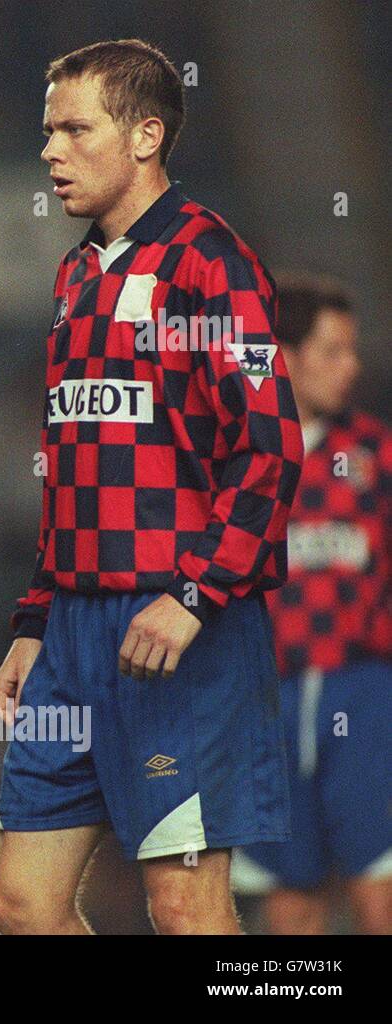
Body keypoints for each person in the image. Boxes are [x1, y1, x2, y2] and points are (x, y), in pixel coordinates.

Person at [0, 39, 304, 934]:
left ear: (145, 135)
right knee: (21, 901)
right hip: (72, 637)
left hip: (179, 631)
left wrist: (196, 595)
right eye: (48, 129)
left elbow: (271, 449)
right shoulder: (77, 273)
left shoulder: (211, 262)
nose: (49, 150)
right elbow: (77, 473)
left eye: (73, 129)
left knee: (184, 906)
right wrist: (36, 619)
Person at [231, 273, 392, 934]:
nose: (350, 366)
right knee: (288, 893)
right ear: (284, 356)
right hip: (264, 699)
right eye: (333, 350)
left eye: (353, 350)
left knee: (377, 884)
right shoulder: (237, 458)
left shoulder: (375, 454)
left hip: (364, 690)